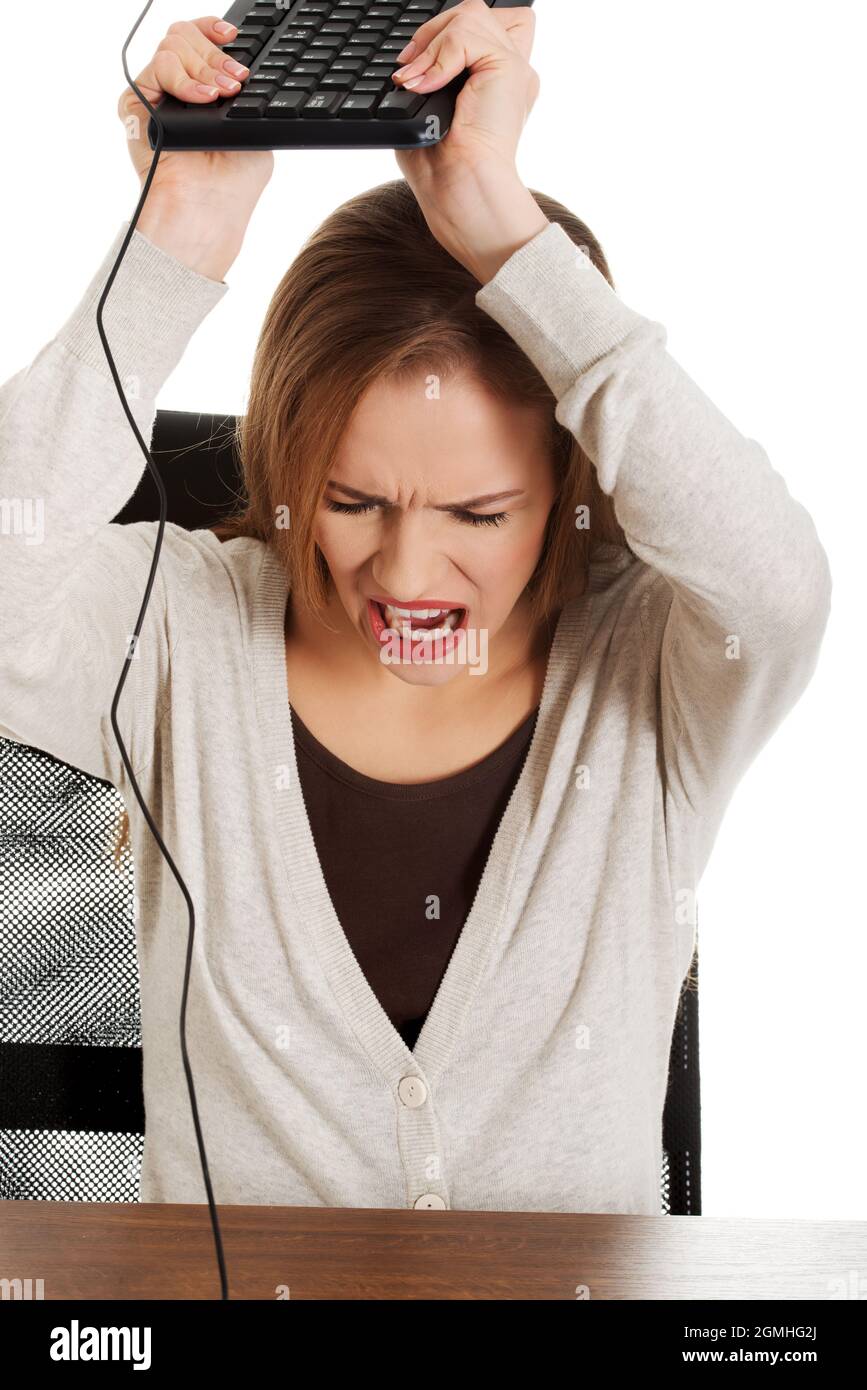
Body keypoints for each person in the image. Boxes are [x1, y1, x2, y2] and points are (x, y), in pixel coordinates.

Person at [0, 3, 831, 1214]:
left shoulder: (656, 664)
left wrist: (506, 231)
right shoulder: (176, 635)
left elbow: (782, 581)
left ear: (575, 487)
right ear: (287, 469)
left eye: (480, 515)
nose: (405, 575)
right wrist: (176, 240)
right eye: (350, 500)